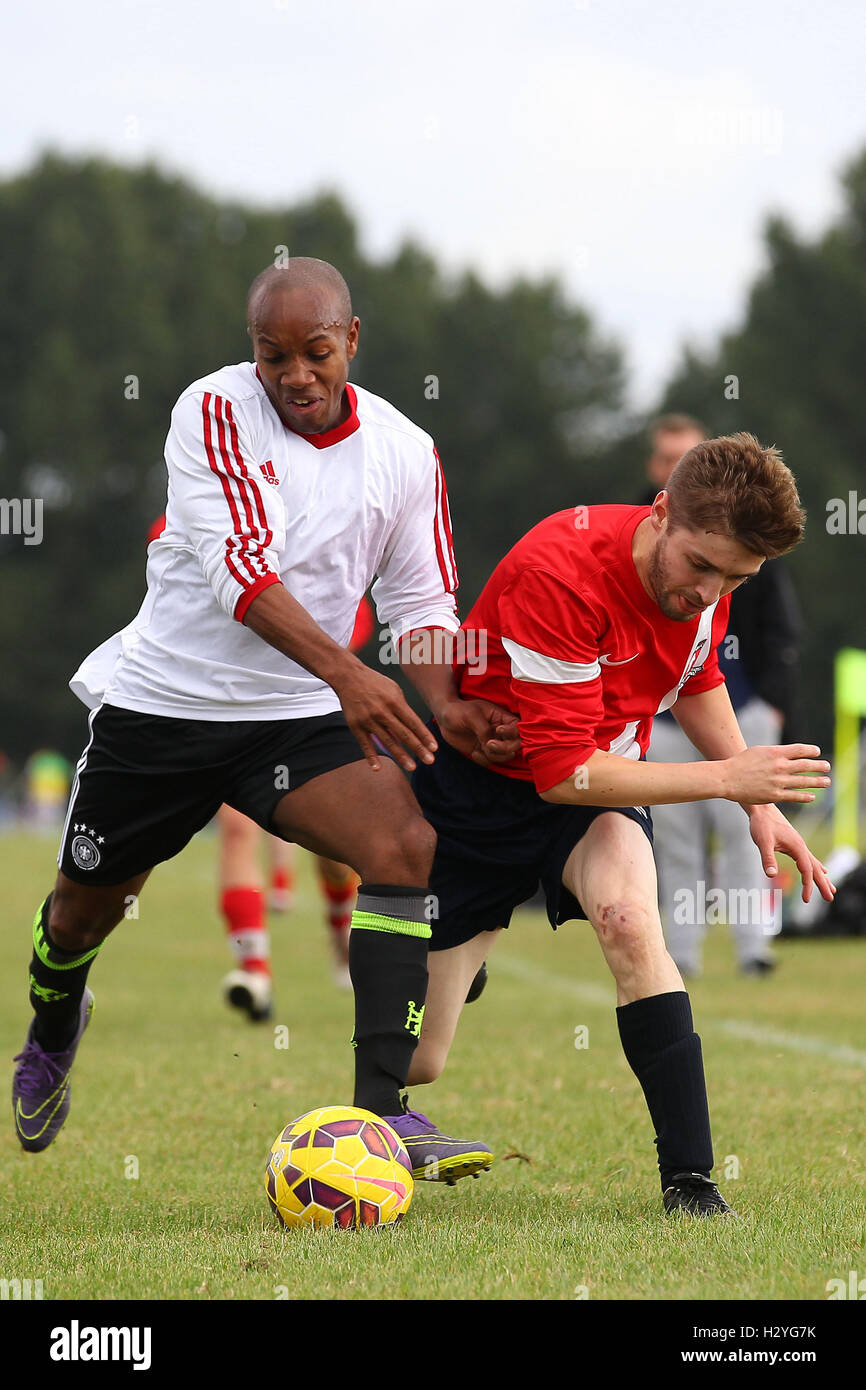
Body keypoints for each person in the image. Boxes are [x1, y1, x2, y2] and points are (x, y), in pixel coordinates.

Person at [12, 258, 517, 1184]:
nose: (294, 374)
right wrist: (350, 674)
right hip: (167, 708)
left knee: (405, 846)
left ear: (352, 341)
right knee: (81, 916)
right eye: (271, 352)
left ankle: (385, 1117)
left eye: (315, 352)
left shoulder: (406, 450)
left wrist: (446, 705)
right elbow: (239, 571)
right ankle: (53, 1022)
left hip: (296, 716)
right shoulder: (211, 410)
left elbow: (422, 600)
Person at [404, 433, 834, 1215]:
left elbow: (696, 680)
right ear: (661, 512)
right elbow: (560, 771)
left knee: (632, 923)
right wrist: (728, 778)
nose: (710, 591)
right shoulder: (561, 572)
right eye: (701, 566)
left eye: (736, 577)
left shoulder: (711, 575)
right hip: (484, 793)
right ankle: (459, 981)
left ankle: (691, 1182)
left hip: (600, 784)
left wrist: (757, 805)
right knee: (421, 1060)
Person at [642, 415, 804, 975]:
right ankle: (680, 953)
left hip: (739, 705)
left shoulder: (749, 536)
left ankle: (753, 946)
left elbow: (782, 629)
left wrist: (771, 703)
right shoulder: (647, 533)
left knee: (751, 830)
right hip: (662, 716)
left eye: (685, 454)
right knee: (674, 840)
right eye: (666, 458)